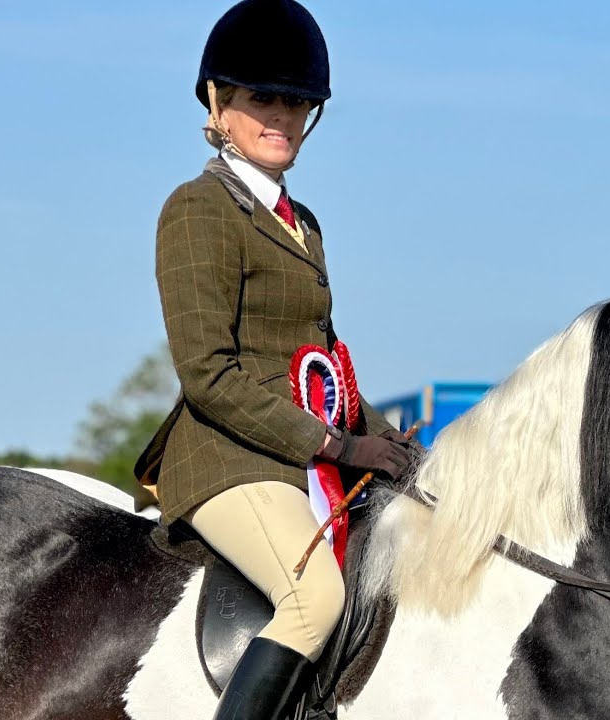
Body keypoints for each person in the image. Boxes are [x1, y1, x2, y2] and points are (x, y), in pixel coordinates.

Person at [135, 1, 413, 717]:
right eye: (262, 98)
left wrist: (387, 440)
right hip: (226, 458)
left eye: (295, 102)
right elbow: (207, 373)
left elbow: (322, 366)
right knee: (315, 596)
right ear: (219, 104)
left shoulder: (303, 224)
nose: (280, 116)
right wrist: (337, 444)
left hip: (302, 457)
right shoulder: (197, 208)